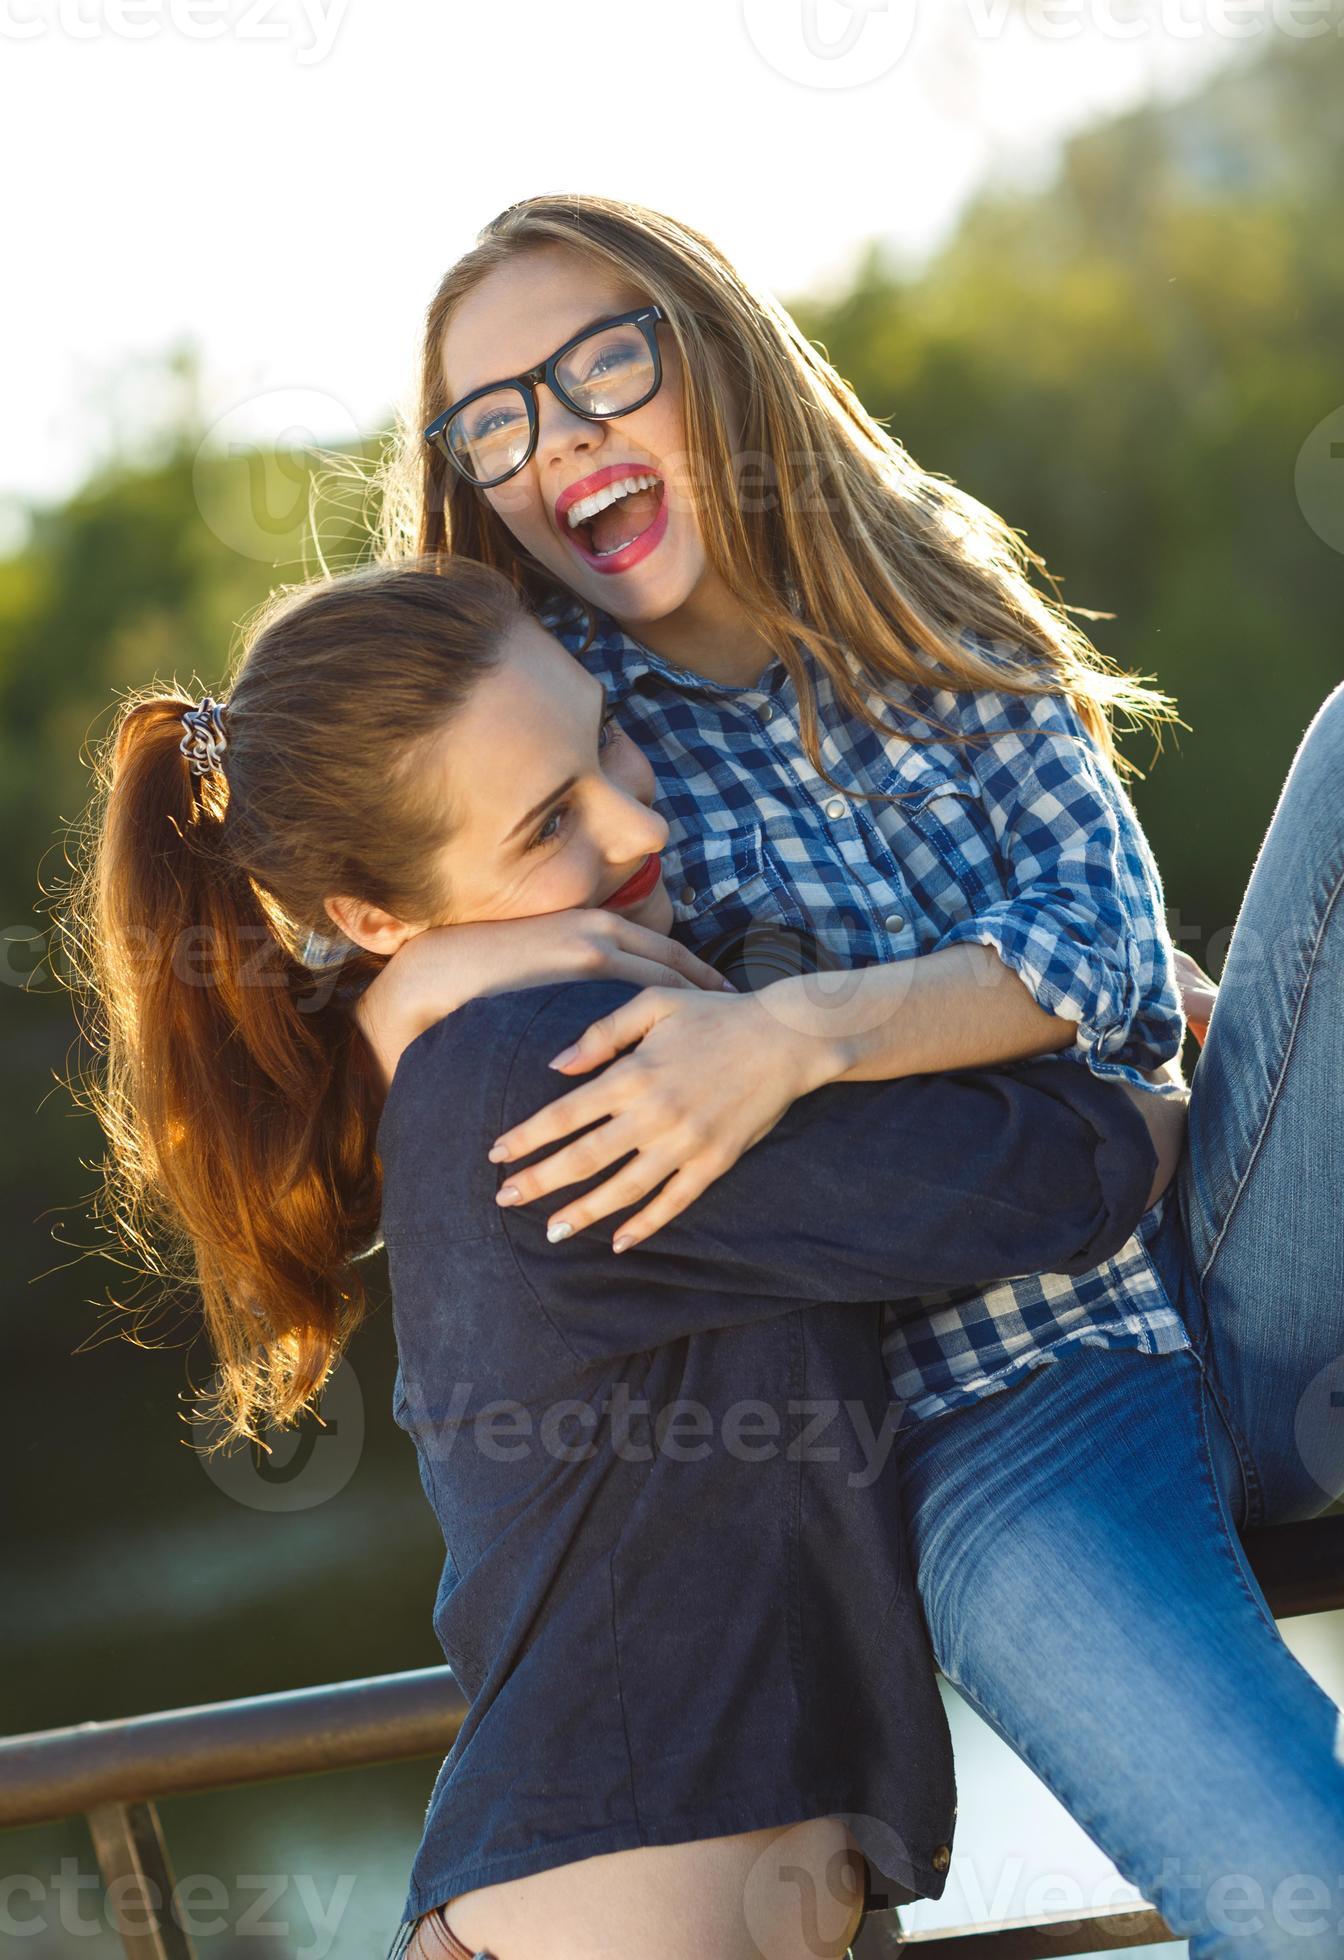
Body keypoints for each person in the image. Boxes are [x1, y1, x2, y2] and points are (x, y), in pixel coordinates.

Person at [360, 193, 1344, 1956]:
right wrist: (418, 972)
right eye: (495, 419)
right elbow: (321, 893)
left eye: (600, 362)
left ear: (712, 355)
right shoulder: (571, 738)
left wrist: (800, 1030)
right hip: (995, 1423)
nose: (559, 436)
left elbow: (1111, 950)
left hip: (1237, 1271)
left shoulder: (924, 579)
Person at [64, 560, 1177, 1960]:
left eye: (603, 733)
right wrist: (1155, 1067)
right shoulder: (551, 1073)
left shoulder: (498, 1048)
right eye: (547, 825)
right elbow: (1050, 1177)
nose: (638, 815)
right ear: (368, 918)